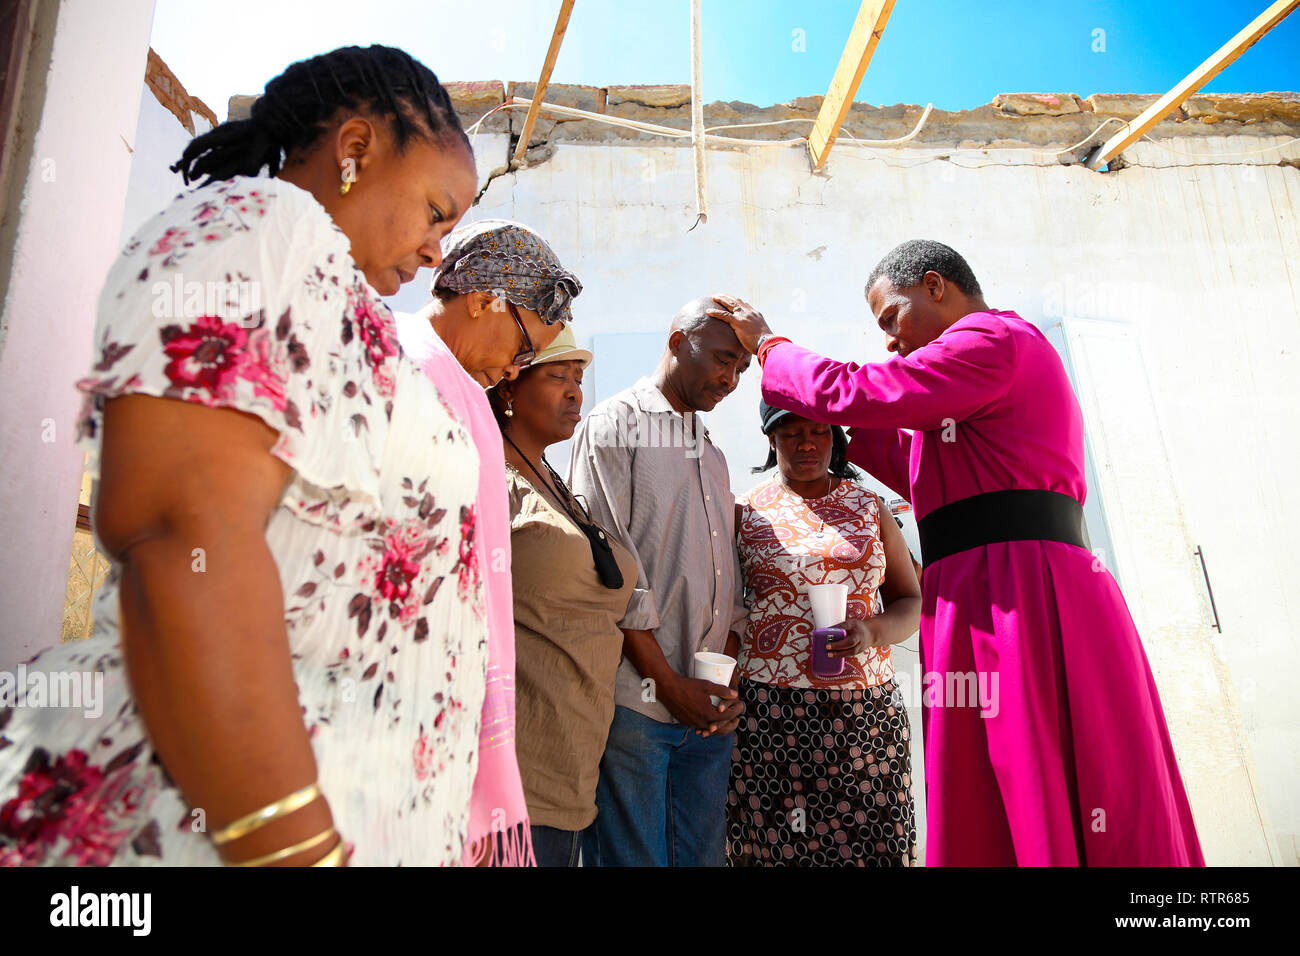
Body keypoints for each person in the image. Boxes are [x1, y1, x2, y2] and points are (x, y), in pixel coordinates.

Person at [0, 46, 512, 867]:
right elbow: (179, 530)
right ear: (355, 150)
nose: (433, 255)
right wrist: (291, 844)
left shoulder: (353, 311)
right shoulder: (263, 230)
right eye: (433, 210)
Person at [709, 240, 1205, 866]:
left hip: (1021, 591)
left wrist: (771, 348)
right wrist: (817, 414)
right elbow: (900, 453)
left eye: (892, 317)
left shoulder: (993, 340)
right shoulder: (965, 403)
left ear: (936, 286)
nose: (889, 340)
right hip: (977, 593)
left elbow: (872, 394)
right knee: (990, 787)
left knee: (1036, 765)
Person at [394, 219, 578, 865]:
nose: (516, 369)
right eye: (526, 350)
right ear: (482, 299)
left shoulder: (454, 387)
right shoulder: (407, 372)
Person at [568, 298, 751, 867]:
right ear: (677, 341)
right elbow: (608, 576)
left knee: (700, 858)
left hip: (706, 710)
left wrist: (722, 680)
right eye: (723, 359)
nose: (730, 378)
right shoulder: (613, 425)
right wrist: (668, 684)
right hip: (638, 705)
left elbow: (729, 583)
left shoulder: (715, 454)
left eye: (742, 370)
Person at [728, 401, 921, 866]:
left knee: (872, 843)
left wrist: (870, 631)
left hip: (864, 712)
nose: (807, 442)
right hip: (769, 713)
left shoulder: (868, 505)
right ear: (771, 441)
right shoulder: (746, 512)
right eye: (791, 433)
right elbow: (726, 608)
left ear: (835, 438)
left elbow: (910, 601)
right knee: (775, 847)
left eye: (819, 430)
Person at [481, 325, 639, 867]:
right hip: (513, 775)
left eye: (579, 378)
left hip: (573, 769)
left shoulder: (552, 480)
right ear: (508, 388)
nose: (575, 392)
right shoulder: (486, 476)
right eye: (556, 376)